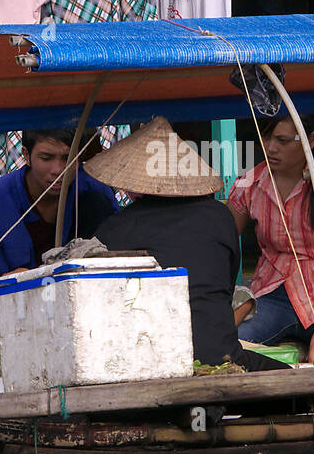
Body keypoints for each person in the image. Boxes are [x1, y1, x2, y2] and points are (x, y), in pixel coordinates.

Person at [88, 118, 283, 372]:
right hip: (219, 359)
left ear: (133, 186)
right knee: (297, 383)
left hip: (144, 365)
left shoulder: (112, 229)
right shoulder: (219, 216)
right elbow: (223, 284)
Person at [229, 114, 314, 367]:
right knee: (232, 344)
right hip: (269, 299)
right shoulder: (249, 184)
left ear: (311, 140)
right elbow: (220, 245)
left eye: (282, 140)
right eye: (266, 137)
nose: (270, 147)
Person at [0, 128, 117, 316]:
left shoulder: (96, 194)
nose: (58, 170)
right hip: (14, 317)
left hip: (86, 312)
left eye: (67, 158)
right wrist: (20, 286)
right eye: (46, 158)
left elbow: (114, 274)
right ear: (26, 156)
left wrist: (28, 282)